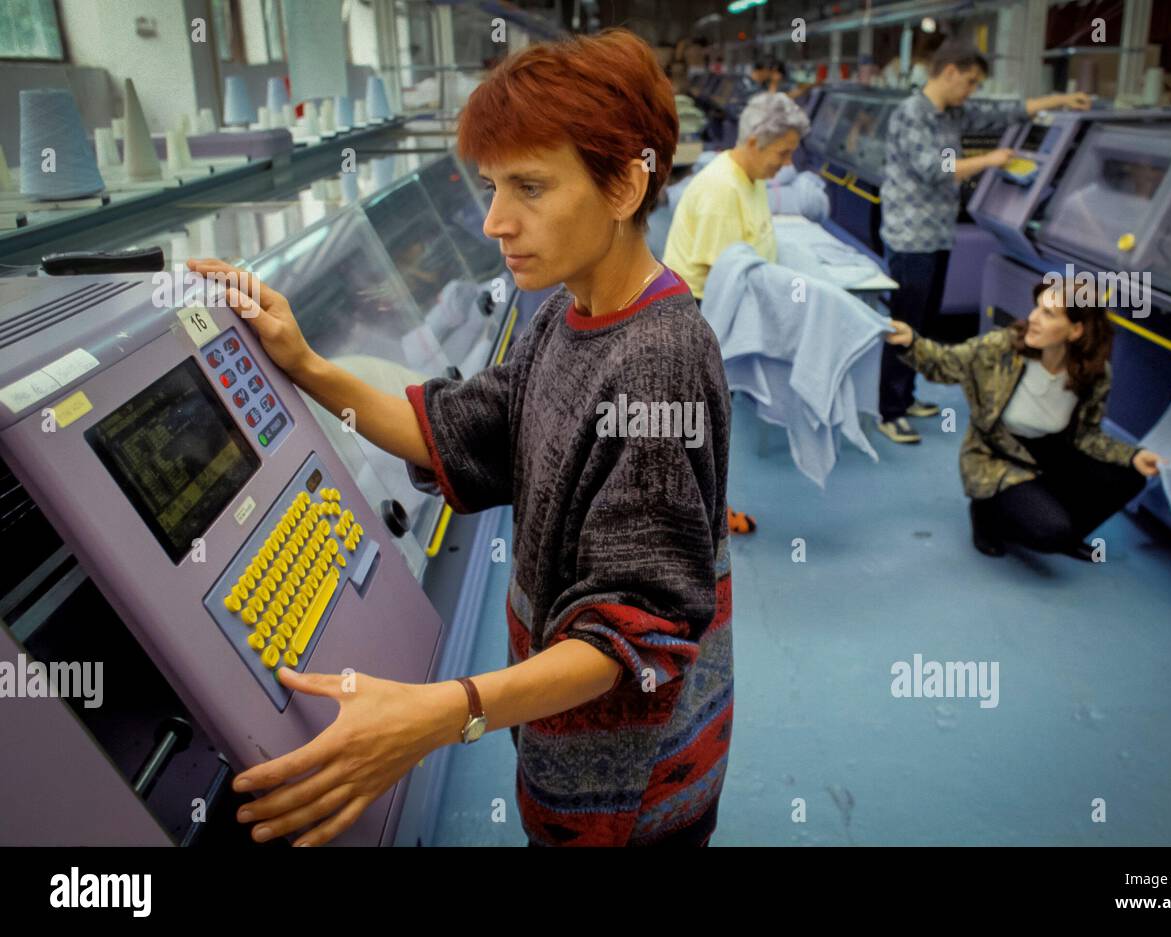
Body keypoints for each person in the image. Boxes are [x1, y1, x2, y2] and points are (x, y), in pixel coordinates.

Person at [187, 28, 733, 848]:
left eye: (530, 187)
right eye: (489, 186)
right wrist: (304, 363)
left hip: (629, 780)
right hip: (565, 735)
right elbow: (470, 427)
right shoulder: (568, 313)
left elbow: (635, 629)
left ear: (624, 185)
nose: (494, 221)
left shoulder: (655, 361)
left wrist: (441, 714)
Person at [876, 38, 1093, 445]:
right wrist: (991, 160)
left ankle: (906, 397)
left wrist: (1062, 100)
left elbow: (1004, 111)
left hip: (936, 234)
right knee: (905, 322)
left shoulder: (952, 113)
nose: (971, 91)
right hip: (911, 238)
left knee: (924, 322)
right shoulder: (912, 113)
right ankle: (890, 411)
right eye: (970, 82)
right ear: (950, 71)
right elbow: (932, 168)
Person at [883, 279, 1163, 559]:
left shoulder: (1094, 373)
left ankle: (1064, 532)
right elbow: (944, 363)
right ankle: (987, 512)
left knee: (1130, 475)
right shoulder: (1002, 348)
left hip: (1051, 451)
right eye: (1037, 309)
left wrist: (1132, 455)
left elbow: (1086, 435)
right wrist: (911, 342)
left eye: (1048, 314)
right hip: (997, 454)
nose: (1033, 319)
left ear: (1076, 331)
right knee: (1050, 531)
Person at [663, 91, 810, 535]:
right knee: (699, 426)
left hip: (720, 316)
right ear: (753, 142)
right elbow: (723, 276)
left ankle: (704, 509)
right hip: (701, 317)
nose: (786, 163)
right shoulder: (722, 189)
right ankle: (696, 519)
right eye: (782, 152)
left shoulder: (751, 179)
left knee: (709, 426)